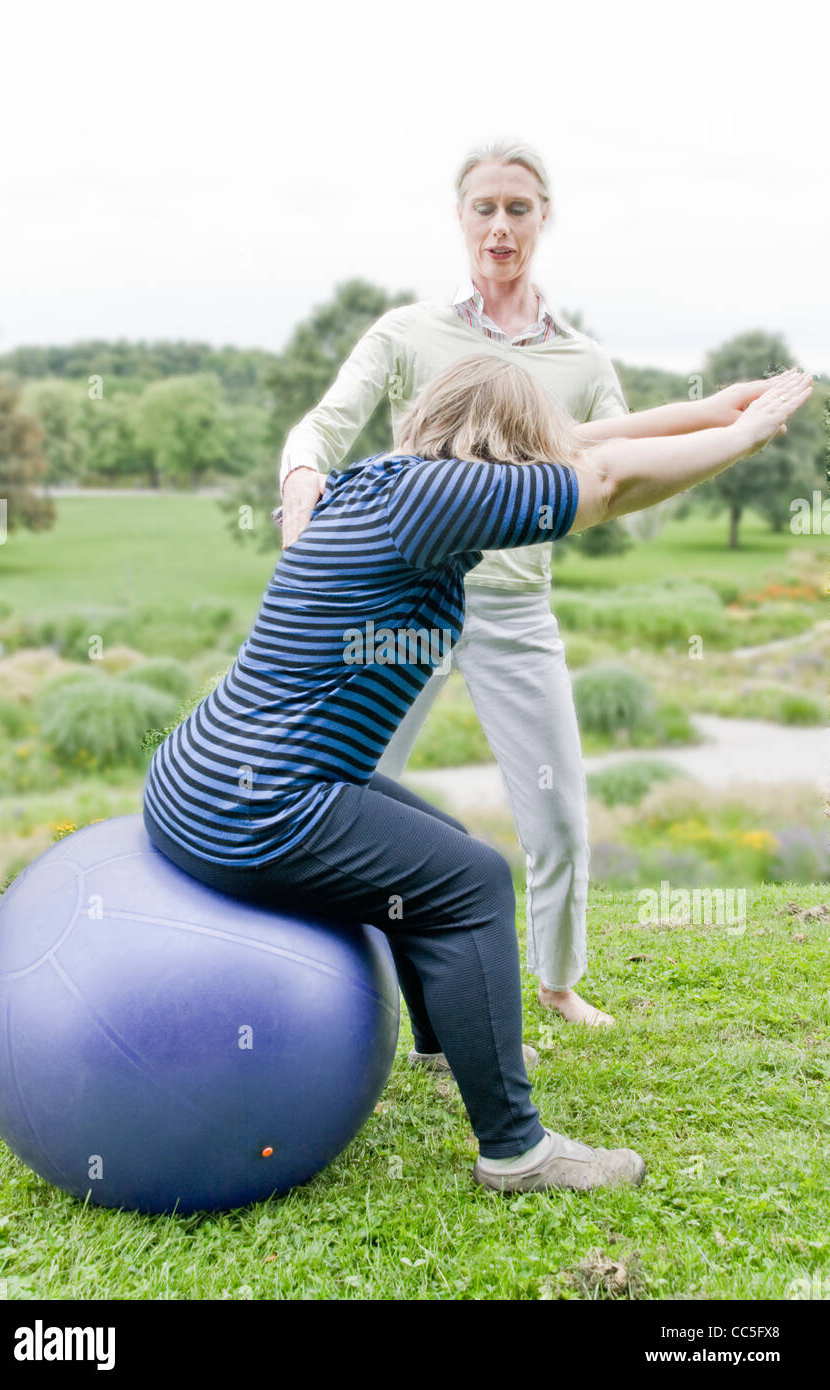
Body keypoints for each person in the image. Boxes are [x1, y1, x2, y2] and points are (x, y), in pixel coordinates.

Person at [142, 354, 810, 1194]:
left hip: (197, 783)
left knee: (442, 847)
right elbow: (598, 480)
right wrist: (741, 438)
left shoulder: (384, 479)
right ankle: (517, 1153)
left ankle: (444, 1046)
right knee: (474, 882)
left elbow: (587, 446)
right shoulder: (442, 496)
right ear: (509, 449)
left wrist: (708, 409)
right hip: (260, 809)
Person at [277, 139, 769, 1029]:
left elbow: (621, 460)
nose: (500, 226)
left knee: (557, 815)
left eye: (519, 208)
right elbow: (326, 422)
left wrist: (722, 416)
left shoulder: (580, 361)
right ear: (460, 217)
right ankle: (337, 981)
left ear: (544, 219)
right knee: (346, 800)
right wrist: (300, 476)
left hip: (512, 610)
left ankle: (557, 980)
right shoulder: (406, 333)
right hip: (405, 607)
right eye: (484, 208)